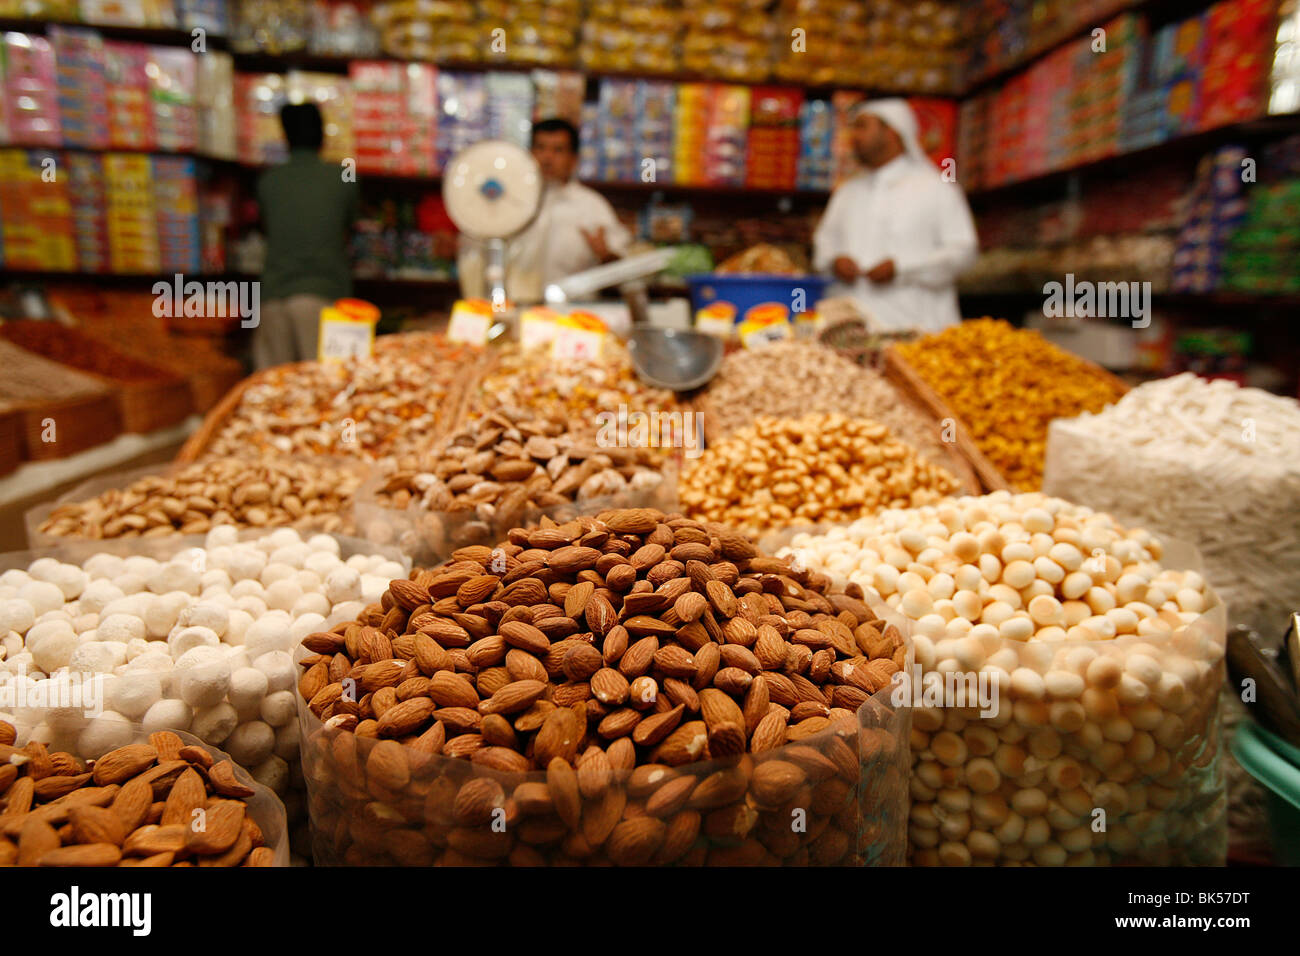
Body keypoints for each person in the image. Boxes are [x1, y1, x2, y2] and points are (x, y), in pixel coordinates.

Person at [812, 99, 977, 333]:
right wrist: (835, 261)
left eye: (862, 127)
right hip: (848, 333)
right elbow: (824, 244)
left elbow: (963, 251)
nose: (853, 136)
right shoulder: (847, 193)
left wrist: (902, 269)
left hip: (917, 331)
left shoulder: (938, 189)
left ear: (892, 132)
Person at [458, 118, 631, 303]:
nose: (547, 158)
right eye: (540, 148)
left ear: (573, 159)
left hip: (572, 316)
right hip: (512, 312)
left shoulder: (592, 206)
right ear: (529, 153)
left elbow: (623, 273)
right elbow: (477, 256)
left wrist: (605, 255)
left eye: (558, 150)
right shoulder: (505, 199)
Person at [253, 102, 359, 368]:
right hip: (320, 294)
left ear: (285, 137)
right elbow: (353, 225)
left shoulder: (268, 180)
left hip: (273, 296)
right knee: (322, 388)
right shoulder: (344, 176)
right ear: (322, 135)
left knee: (272, 391)